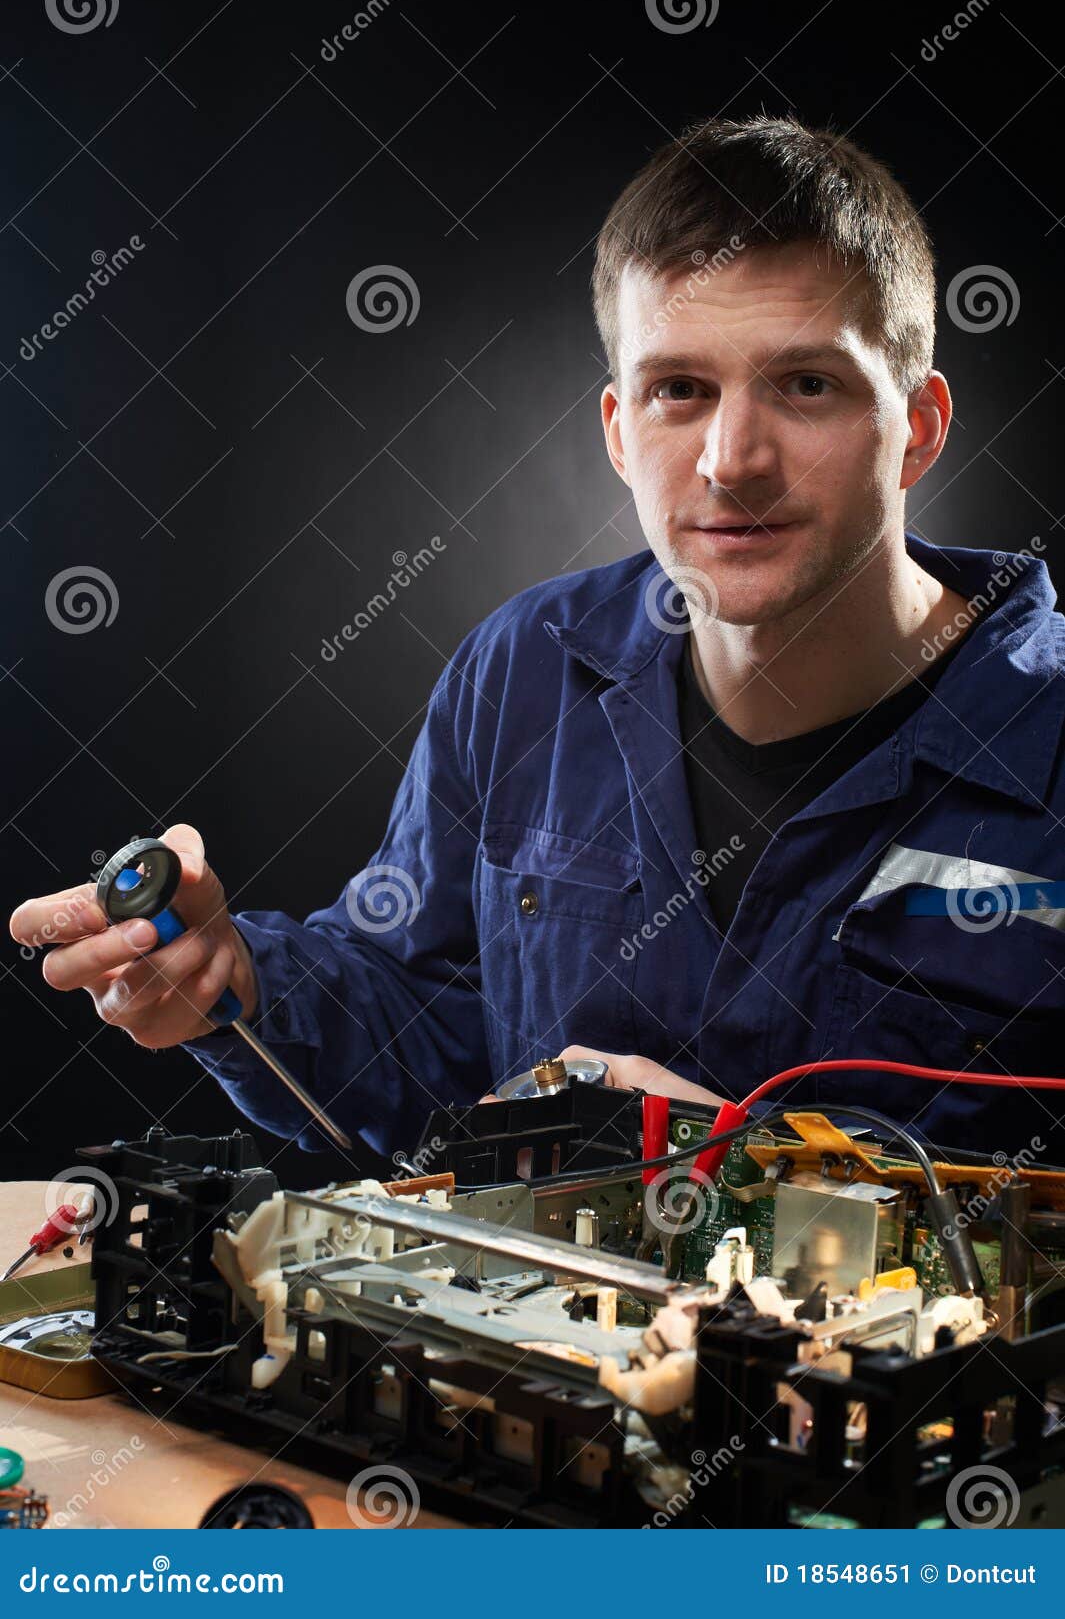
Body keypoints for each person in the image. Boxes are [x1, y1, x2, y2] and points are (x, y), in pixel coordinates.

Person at [12, 115, 1065, 1164]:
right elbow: (423, 1025)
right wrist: (228, 982)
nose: (733, 460)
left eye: (807, 385)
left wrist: (742, 1161)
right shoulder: (525, 672)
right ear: (619, 430)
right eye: (680, 391)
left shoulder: (1045, 739)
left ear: (920, 425)